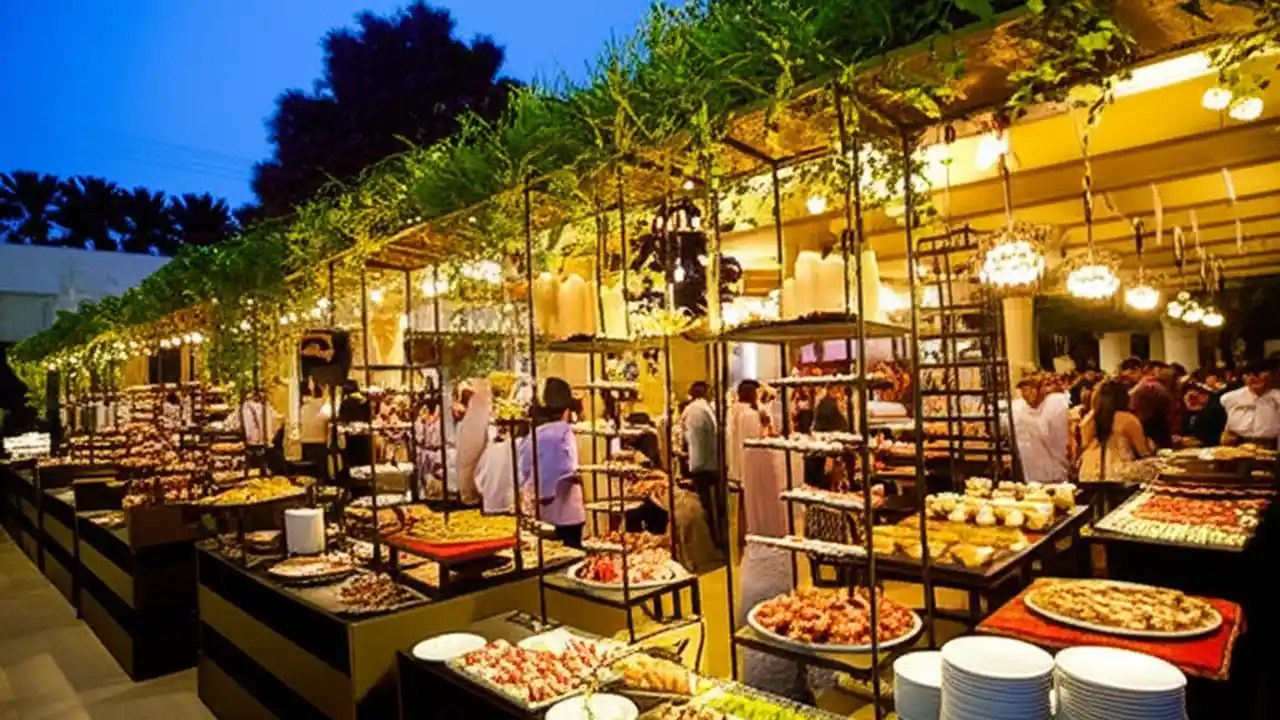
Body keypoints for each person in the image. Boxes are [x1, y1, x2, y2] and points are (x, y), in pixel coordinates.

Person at [519, 377, 585, 548]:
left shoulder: (532, 436)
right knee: (571, 555)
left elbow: (524, 469)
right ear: (566, 411)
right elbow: (571, 467)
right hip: (569, 513)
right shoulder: (566, 433)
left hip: (541, 514)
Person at [1079, 380, 1152, 482]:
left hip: (1088, 473)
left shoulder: (1088, 420)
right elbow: (1143, 452)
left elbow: (1084, 445)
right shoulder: (1128, 420)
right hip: (1119, 475)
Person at [1011, 375, 1070, 484]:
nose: (1026, 394)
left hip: (1057, 472)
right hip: (1031, 474)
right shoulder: (1018, 410)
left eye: (1028, 390)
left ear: (1039, 390)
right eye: (1023, 390)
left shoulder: (1056, 405)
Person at [680, 381, 720, 539]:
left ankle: (708, 538)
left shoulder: (695, 410)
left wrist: (691, 462)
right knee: (709, 505)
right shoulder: (704, 408)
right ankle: (713, 537)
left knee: (704, 506)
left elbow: (693, 439)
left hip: (701, 465)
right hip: (709, 462)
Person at [1220, 363, 1280, 445]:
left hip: (1270, 446)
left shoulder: (1277, 397)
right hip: (1237, 446)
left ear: (1270, 376)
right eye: (1248, 375)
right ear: (1243, 378)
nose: (1253, 378)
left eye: (1258, 374)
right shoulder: (1230, 397)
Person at [454, 380, 491, 507]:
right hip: (473, 436)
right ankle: (469, 493)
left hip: (470, 436)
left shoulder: (476, 406)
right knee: (470, 465)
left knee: (469, 465)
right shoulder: (479, 403)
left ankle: (469, 493)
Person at [1129, 361, 1176, 449]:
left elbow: (1132, 405)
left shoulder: (1150, 387)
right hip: (1158, 430)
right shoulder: (1155, 388)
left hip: (1150, 429)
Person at [299, 383, 332, 481]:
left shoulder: (304, 408)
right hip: (320, 443)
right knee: (320, 474)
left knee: (309, 475)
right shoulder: (326, 407)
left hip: (305, 442)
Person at [1180, 382, 1227, 448]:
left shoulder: (1215, 408)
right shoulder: (1196, 408)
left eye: (1195, 397)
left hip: (1211, 445)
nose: (1193, 401)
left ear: (1205, 395)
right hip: (1197, 443)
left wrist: (1192, 439)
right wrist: (1188, 407)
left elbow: (1203, 431)